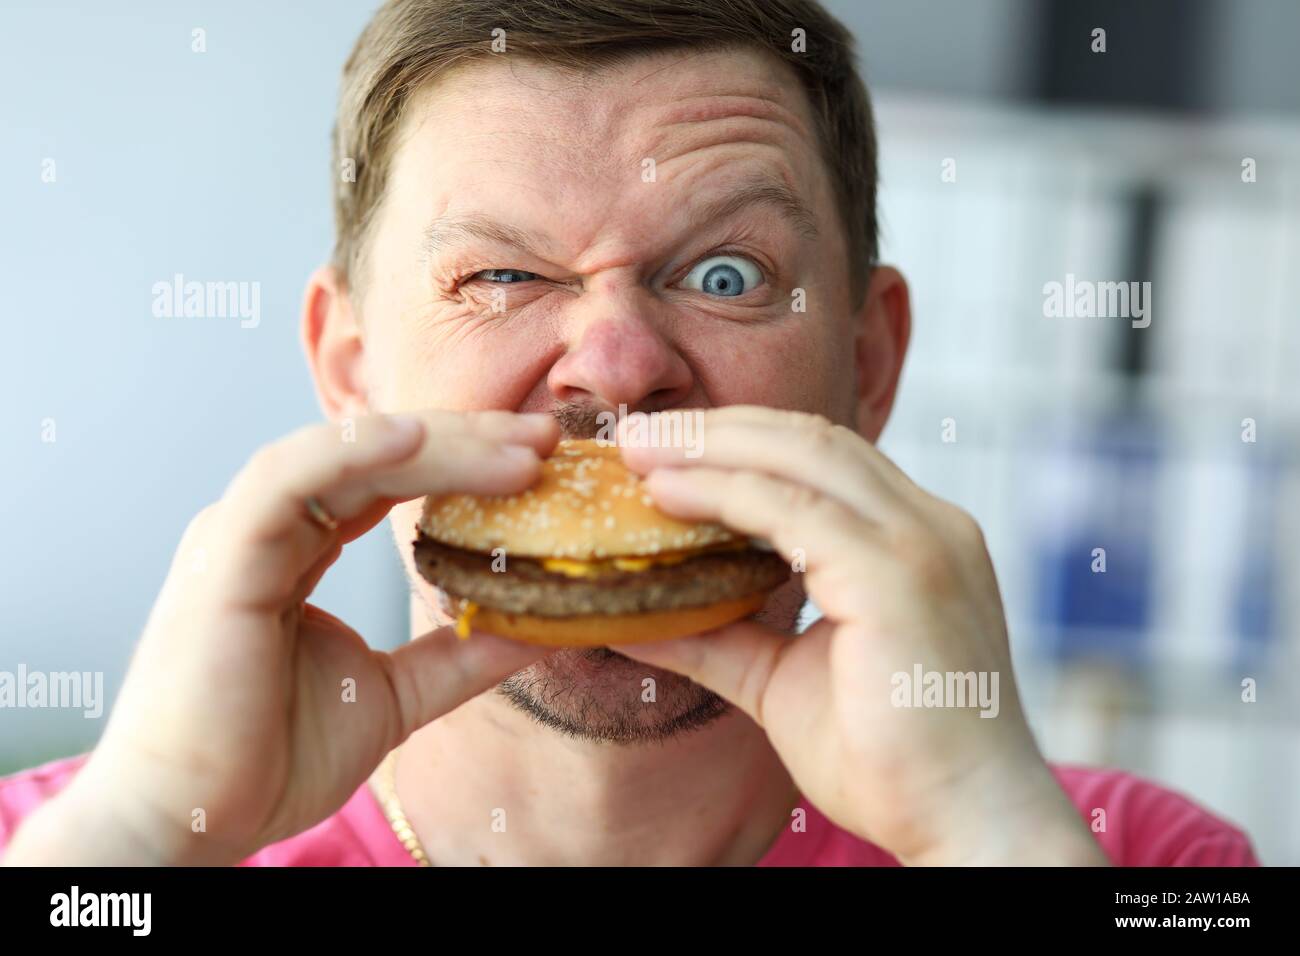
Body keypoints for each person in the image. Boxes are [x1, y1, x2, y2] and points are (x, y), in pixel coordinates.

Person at [1, 0, 1258, 867]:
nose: (613, 366)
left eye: (724, 274)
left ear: (866, 363)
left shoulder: (1141, 858)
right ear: (351, 366)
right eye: (499, 275)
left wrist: (981, 826)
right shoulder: (76, 842)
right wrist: (157, 825)